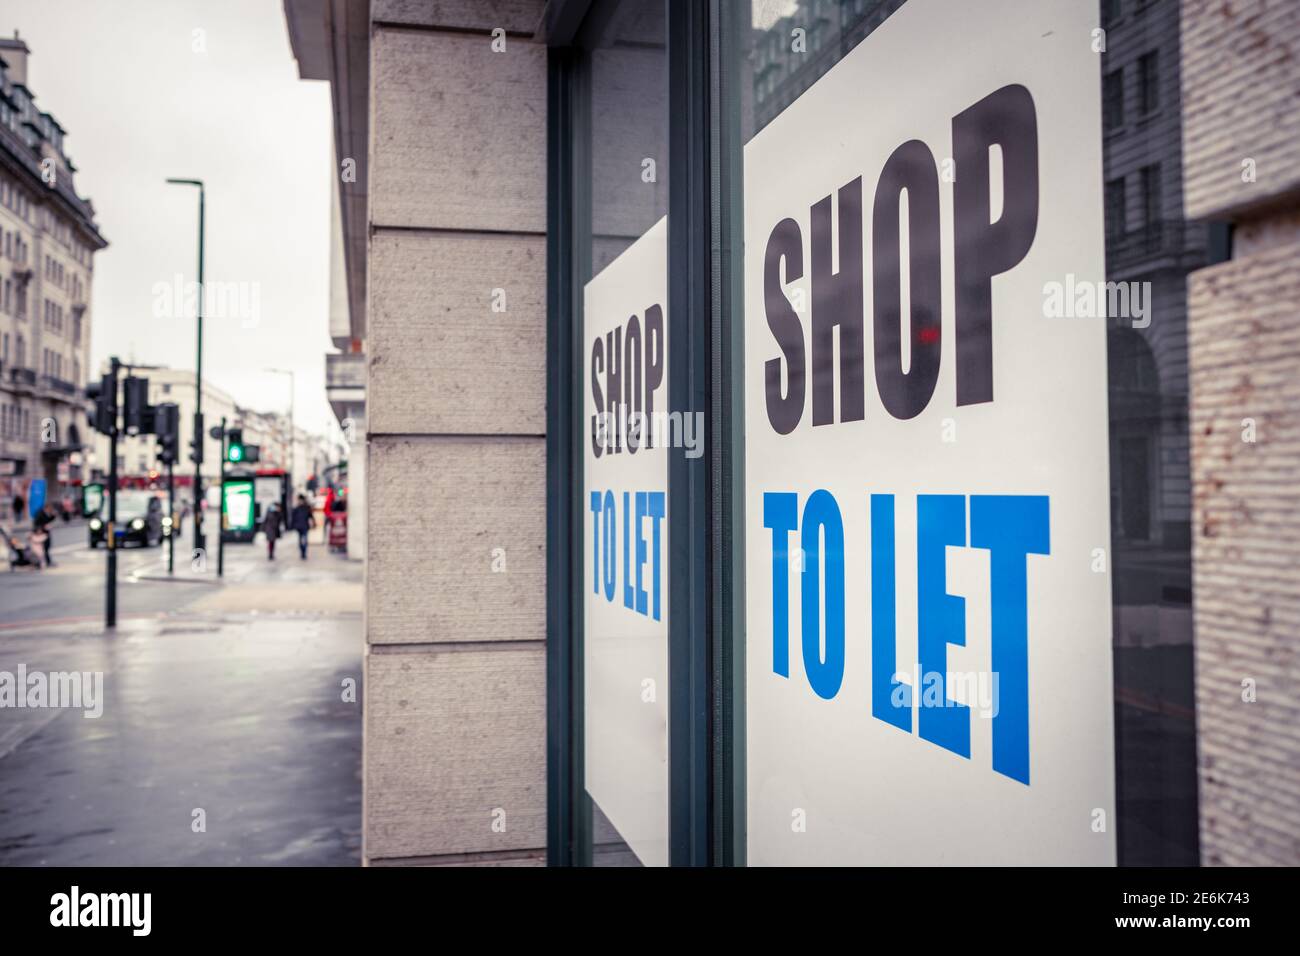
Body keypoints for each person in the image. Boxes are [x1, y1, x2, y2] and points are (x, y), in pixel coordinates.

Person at [289, 494, 315, 560]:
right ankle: (302, 552)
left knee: (305, 540)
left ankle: (304, 552)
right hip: (299, 527)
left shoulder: (306, 508)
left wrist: (314, 523)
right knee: (300, 540)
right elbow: (293, 518)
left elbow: (311, 516)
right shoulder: (296, 509)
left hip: (305, 526)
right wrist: (292, 526)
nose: (300, 501)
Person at [32, 502, 57, 567]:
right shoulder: (40, 513)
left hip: (45, 532)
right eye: (50, 508)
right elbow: (36, 523)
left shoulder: (45, 513)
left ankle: (47, 561)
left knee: (47, 547)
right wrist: (42, 527)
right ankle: (46, 562)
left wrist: (53, 516)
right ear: (46, 508)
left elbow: (49, 520)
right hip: (41, 533)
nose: (50, 510)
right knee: (44, 548)